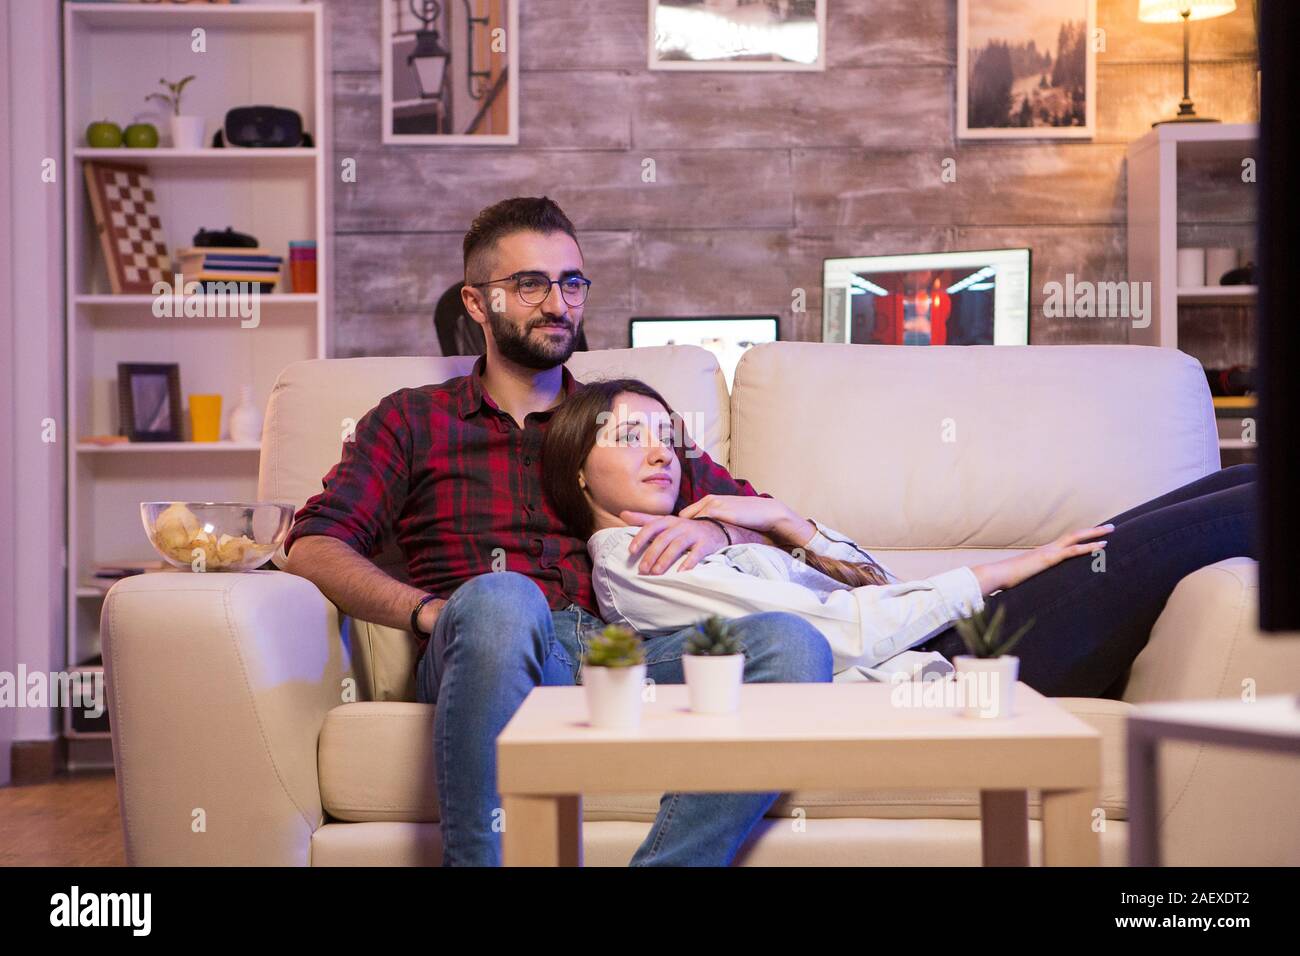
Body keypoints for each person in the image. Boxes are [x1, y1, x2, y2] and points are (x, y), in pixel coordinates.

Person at [280, 196, 831, 867]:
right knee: (503, 598)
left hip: (625, 653)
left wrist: (717, 533)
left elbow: (769, 522)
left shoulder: (623, 418)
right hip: (489, 647)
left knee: (794, 643)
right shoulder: (411, 420)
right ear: (477, 305)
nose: (557, 303)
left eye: (571, 283)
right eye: (529, 284)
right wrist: (426, 612)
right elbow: (313, 544)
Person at [540, 378, 1259, 700]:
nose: (662, 453)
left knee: (1244, 480)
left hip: (947, 632)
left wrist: (783, 521)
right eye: (631, 437)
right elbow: (832, 636)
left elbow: (872, 584)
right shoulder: (637, 560)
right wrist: (1003, 571)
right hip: (948, 662)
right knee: (1247, 503)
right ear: (577, 472)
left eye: (668, 435)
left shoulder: (697, 532)